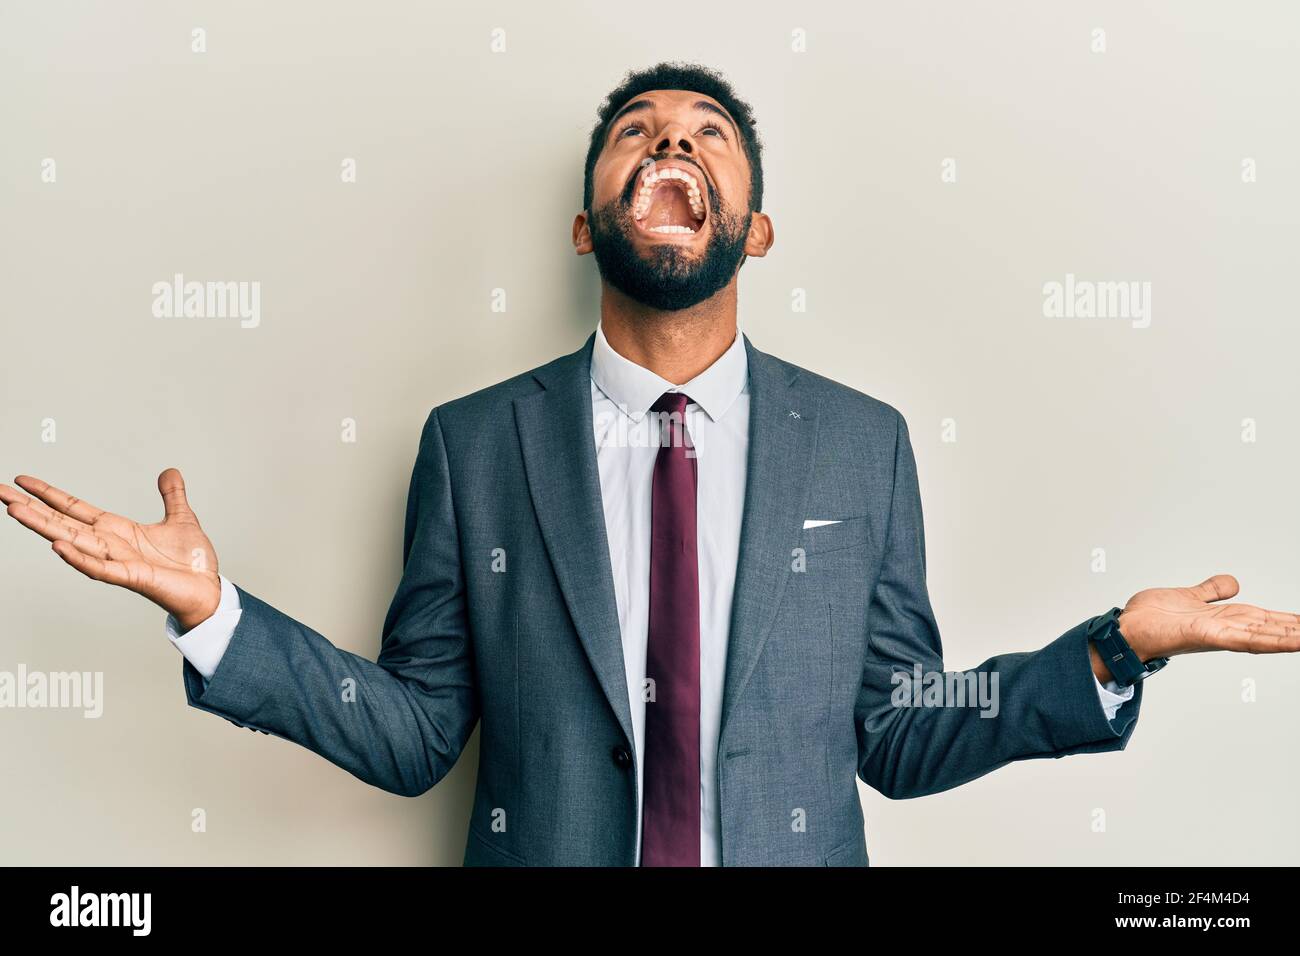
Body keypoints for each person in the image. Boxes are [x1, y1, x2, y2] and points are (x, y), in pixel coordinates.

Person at [4, 62, 1298, 867]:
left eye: (706, 137)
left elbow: (900, 731)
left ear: (757, 226)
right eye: (637, 133)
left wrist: (1114, 647)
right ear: (585, 221)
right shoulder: (473, 446)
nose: (671, 145)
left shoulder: (863, 443)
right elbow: (415, 735)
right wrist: (214, 617)